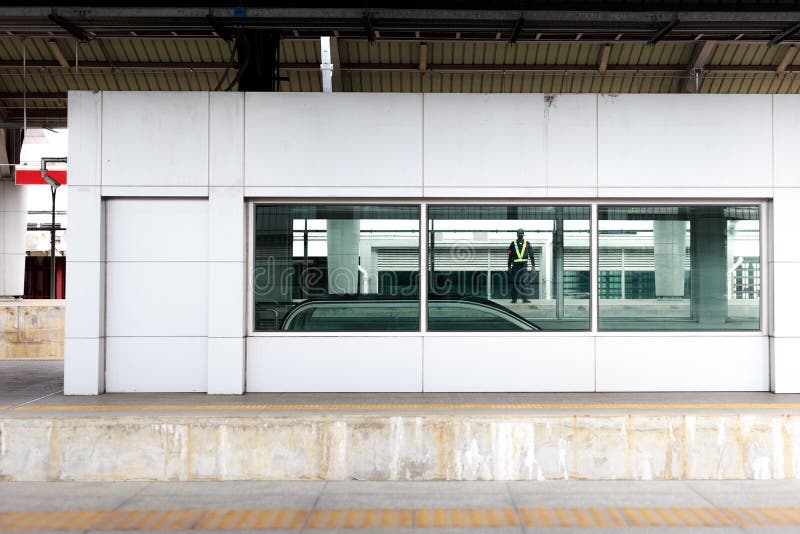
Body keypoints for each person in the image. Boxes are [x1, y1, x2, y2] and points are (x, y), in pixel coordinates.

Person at [508, 228, 535, 303]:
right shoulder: (512, 244)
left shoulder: (527, 243)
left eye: (521, 234)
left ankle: (525, 299)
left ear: (523, 235)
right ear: (517, 235)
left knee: (524, 282)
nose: (520, 235)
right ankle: (514, 299)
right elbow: (510, 255)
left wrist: (533, 266)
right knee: (515, 282)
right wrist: (509, 266)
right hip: (515, 266)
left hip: (524, 266)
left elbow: (531, 255)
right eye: (519, 234)